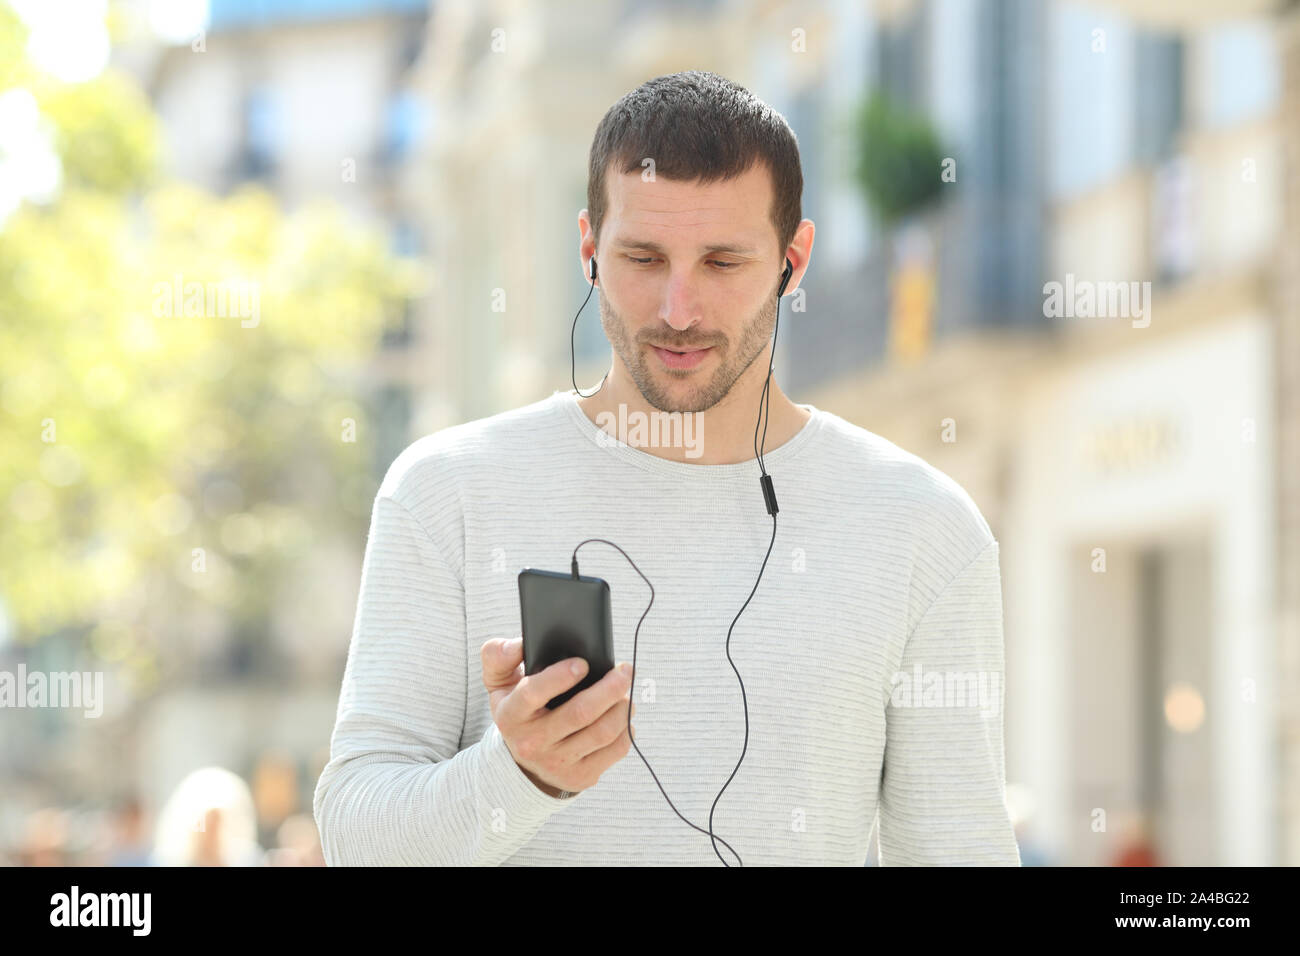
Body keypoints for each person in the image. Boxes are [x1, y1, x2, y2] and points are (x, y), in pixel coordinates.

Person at [314, 70, 1020, 866]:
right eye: (644, 258)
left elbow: (959, 851)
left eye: (723, 263)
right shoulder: (446, 492)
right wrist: (515, 775)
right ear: (588, 248)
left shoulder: (925, 528)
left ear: (795, 259)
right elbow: (354, 837)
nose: (679, 309)